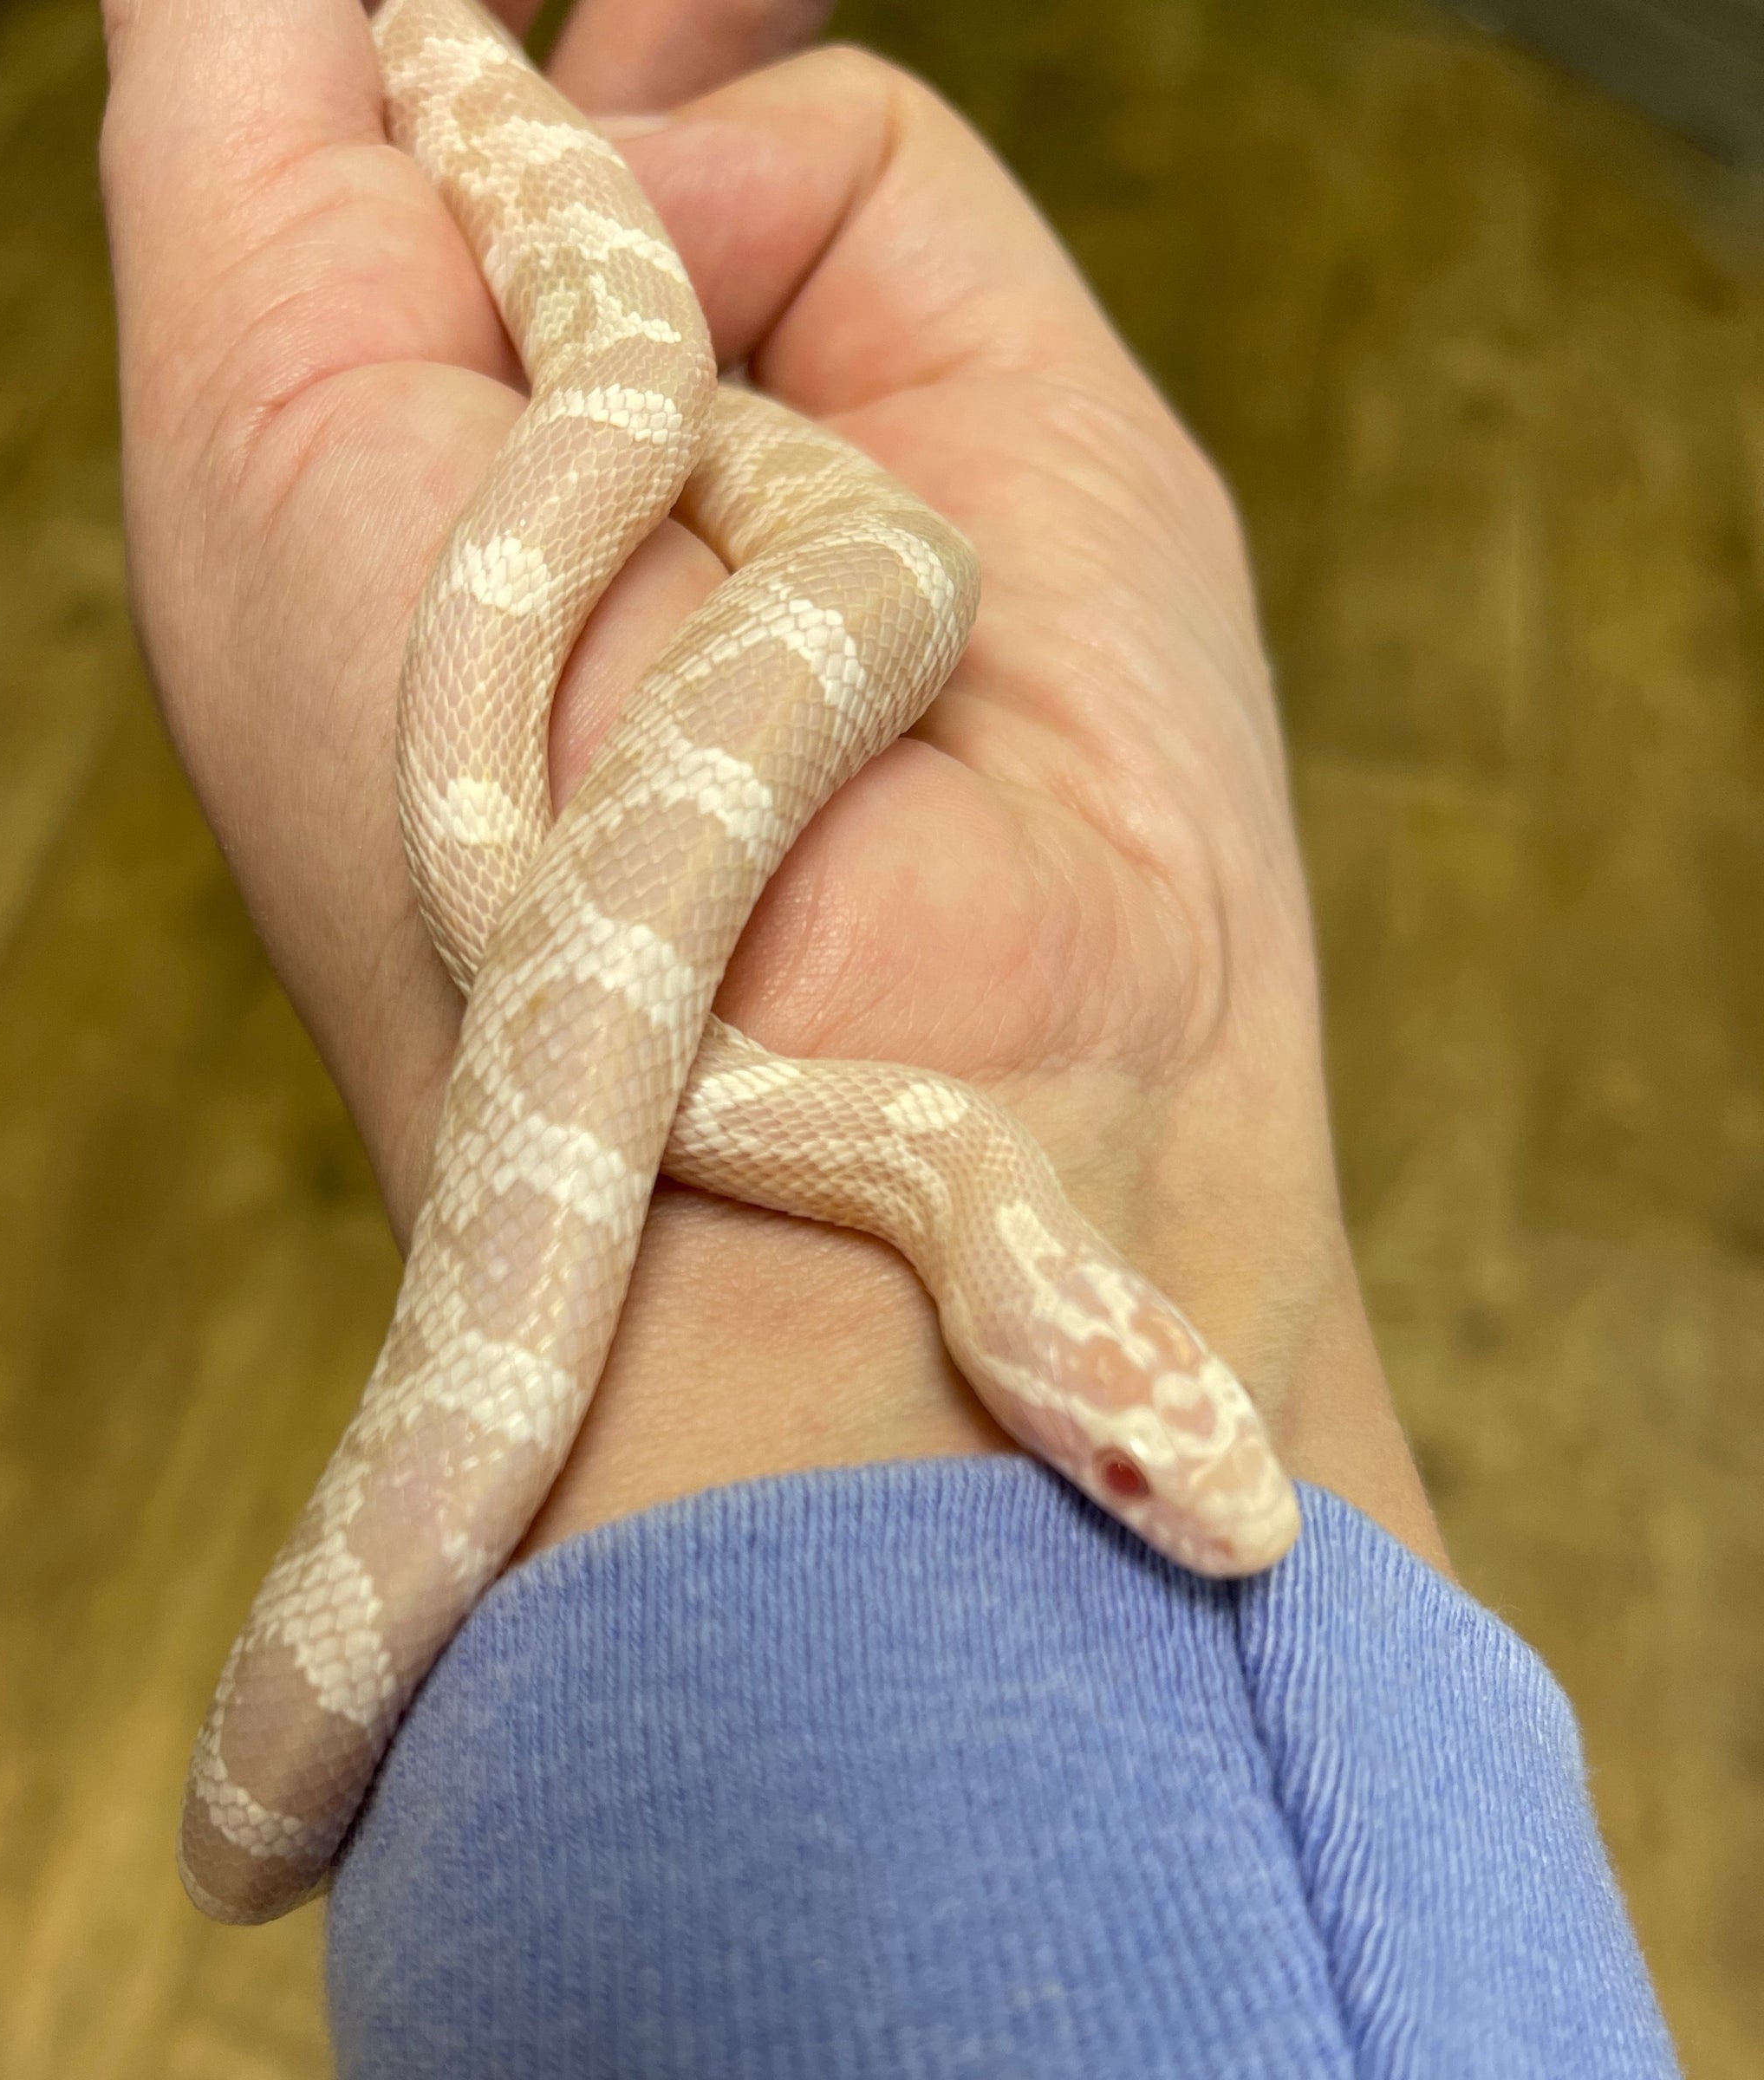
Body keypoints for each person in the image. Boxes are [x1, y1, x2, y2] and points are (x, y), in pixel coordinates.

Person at [97, 0, 1681, 2069]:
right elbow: (235, 1846)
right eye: (1122, 1445)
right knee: (659, 421)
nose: (1174, 1496)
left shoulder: (941, 1149)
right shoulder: (917, 1123)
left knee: (677, 464)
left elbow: (252, 1853)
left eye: (1130, 1451)